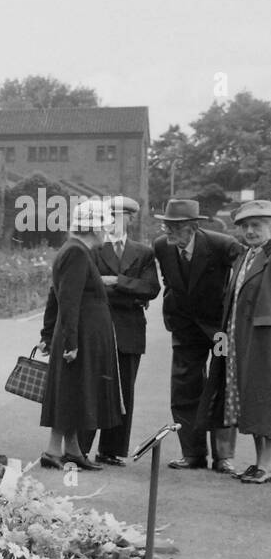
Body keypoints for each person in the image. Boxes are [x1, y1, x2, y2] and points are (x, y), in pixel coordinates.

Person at [152, 198, 242, 473]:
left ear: (191, 228)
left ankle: (223, 457)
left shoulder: (221, 244)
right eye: (167, 226)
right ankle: (192, 454)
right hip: (185, 328)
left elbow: (244, 272)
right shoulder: (161, 247)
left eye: (174, 228)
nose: (168, 233)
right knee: (184, 388)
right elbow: (169, 281)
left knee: (221, 385)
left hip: (218, 331)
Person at [37, 200, 123, 470]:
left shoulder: (74, 250)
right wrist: (71, 342)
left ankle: (70, 450)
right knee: (72, 391)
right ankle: (53, 451)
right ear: (94, 228)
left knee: (73, 391)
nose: (106, 233)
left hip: (81, 334)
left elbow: (56, 297)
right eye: (104, 227)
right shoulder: (76, 253)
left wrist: (49, 333)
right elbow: (68, 299)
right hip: (80, 336)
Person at [78, 196, 160, 465]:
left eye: (117, 215)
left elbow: (151, 289)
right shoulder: (92, 248)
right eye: (106, 215)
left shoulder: (144, 252)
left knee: (124, 389)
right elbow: (87, 287)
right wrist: (130, 290)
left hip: (129, 330)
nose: (110, 220)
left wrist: (115, 281)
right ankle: (80, 448)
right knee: (93, 386)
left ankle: (111, 450)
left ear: (130, 219)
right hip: (96, 327)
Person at [203, 200, 271, 483]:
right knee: (250, 402)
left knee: (264, 400)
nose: (250, 231)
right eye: (245, 226)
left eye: (257, 225)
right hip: (242, 341)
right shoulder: (246, 256)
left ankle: (267, 466)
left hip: (264, 340)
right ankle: (259, 462)